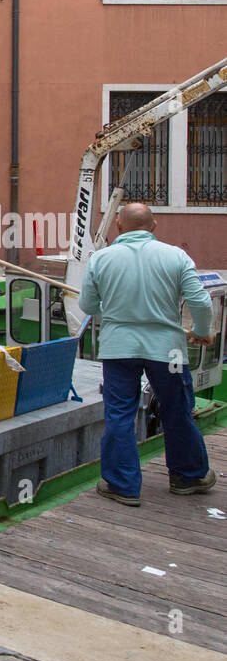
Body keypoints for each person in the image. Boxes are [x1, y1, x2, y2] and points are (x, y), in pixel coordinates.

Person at [78, 202, 217, 505]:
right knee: (177, 409)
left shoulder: (100, 259)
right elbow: (201, 302)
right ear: (153, 226)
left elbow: (88, 307)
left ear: (118, 226)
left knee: (119, 413)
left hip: (118, 347)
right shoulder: (176, 256)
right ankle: (188, 476)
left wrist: (113, 308)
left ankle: (122, 485)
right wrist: (204, 331)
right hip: (167, 349)